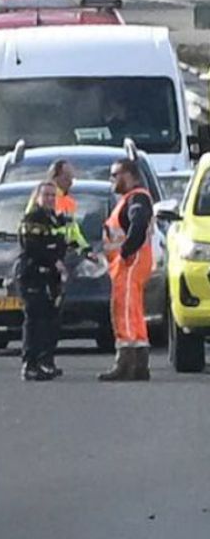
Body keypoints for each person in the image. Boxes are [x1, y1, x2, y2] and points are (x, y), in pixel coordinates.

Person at [99, 158, 154, 382]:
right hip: (127, 263)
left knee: (125, 311)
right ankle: (139, 363)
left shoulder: (137, 198)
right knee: (134, 312)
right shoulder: (130, 199)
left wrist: (124, 252)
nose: (112, 179)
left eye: (115, 175)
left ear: (129, 175)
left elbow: (138, 225)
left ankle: (127, 363)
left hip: (130, 262)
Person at [17, 181, 67, 381]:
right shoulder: (32, 219)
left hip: (51, 277)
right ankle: (30, 364)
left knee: (50, 320)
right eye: (46, 195)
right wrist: (53, 259)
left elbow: (61, 243)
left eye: (53, 195)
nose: (50, 199)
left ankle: (45, 362)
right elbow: (32, 247)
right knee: (34, 320)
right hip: (33, 274)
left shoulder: (56, 219)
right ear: (37, 197)